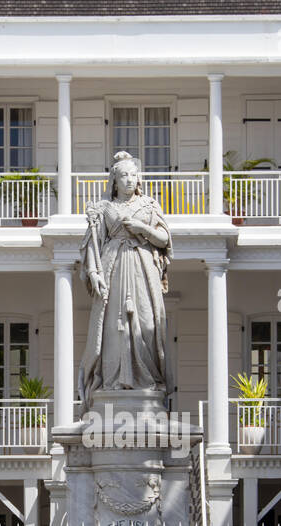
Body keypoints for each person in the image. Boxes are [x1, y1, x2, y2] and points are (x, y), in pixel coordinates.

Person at [77, 151, 173, 409]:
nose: (129, 180)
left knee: (147, 321)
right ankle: (113, 381)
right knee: (112, 326)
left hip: (143, 267)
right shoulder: (104, 208)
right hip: (113, 268)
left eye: (133, 175)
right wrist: (94, 273)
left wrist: (143, 229)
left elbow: (164, 239)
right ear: (115, 181)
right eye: (124, 176)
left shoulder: (149, 206)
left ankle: (147, 380)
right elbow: (92, 245)